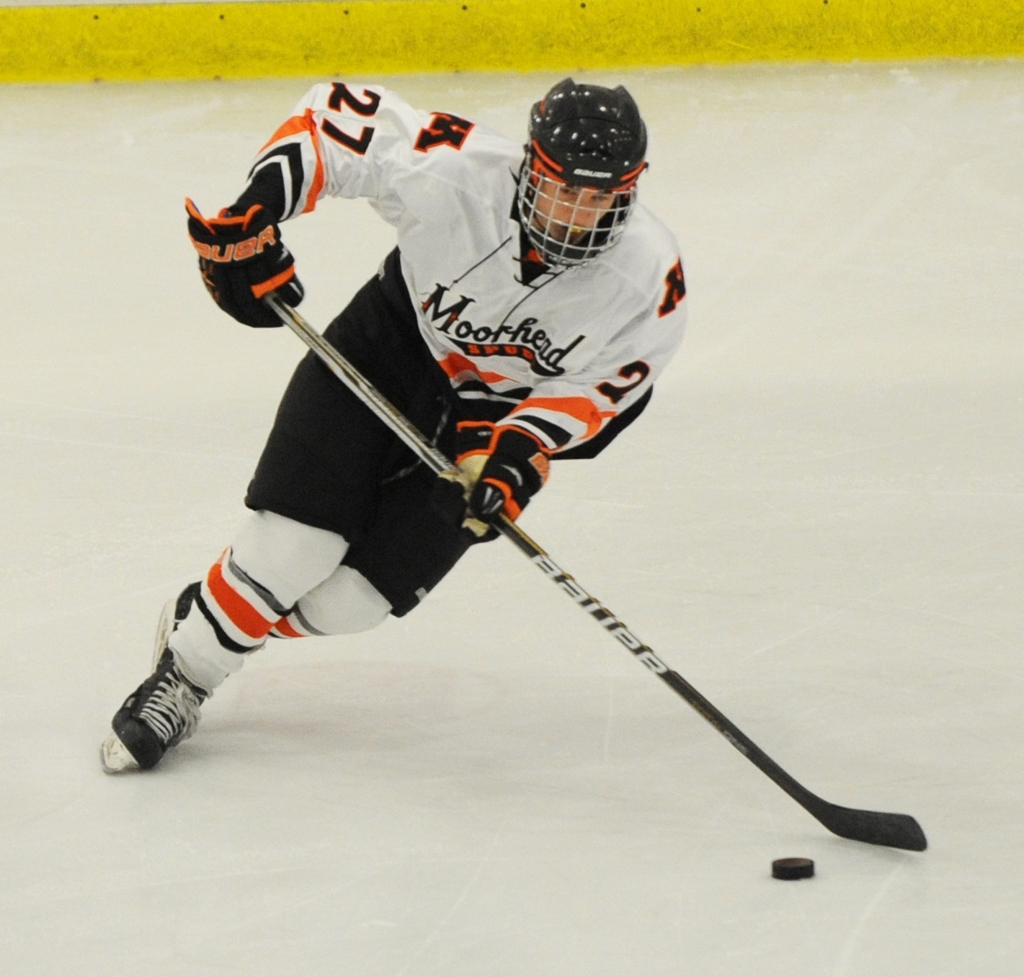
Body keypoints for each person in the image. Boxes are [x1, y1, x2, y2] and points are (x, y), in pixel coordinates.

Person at [100, 76, 688, 773]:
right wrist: (258, 208)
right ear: (531, 166)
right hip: (389, 347)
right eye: (565, 188)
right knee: (291, 547)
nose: (578, 213)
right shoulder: (458, 172)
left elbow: (602, 391)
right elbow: (338, 123)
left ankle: (213, 613)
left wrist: (512, 456)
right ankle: (188, 675)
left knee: (352, 603)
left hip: (490, 423)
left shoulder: (648, 281)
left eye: (601, 197)